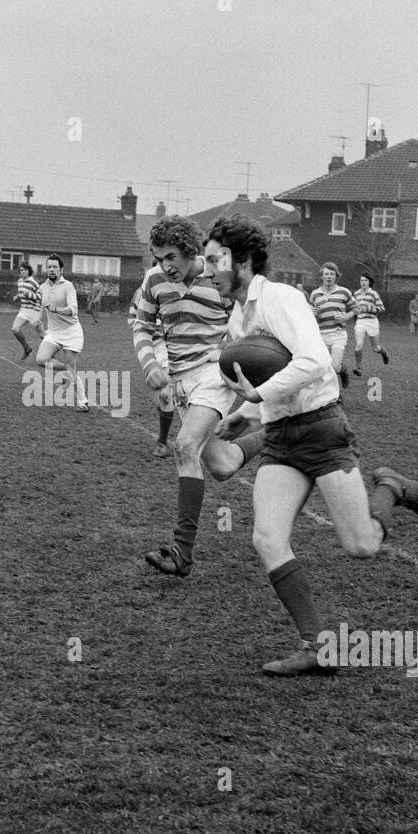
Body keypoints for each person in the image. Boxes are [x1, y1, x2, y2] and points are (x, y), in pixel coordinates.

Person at [202, 216, 418, 678]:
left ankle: (390, 487)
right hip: (282, 437)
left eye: (214, 260)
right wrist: (245, 414)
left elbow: (313, 362)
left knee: (362, 546)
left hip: (322, 430)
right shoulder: (238, 315)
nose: (208, 270)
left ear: (242, 261)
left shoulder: (281, 298)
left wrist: (256, 398)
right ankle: (315, 646)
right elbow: (269, 379)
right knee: (267, 538)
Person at [132, 215, 261, 577]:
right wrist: (149, 364)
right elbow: (142, 326)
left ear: (190, 249)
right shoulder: (153, 280)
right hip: (180, 381)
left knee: (185, 447)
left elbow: (247, 328)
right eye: (158, 258)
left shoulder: (220, 278)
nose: (164, 266)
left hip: (216, 372)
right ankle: (274, 435)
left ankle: (181, 552)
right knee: (222, 466)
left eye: (171, 256)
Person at [37, 254, 89, 412]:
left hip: (72, 332)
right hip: (54, 332)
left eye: (54, 267)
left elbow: (73, 310)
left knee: (71, 366)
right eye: (49, 267)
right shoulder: (43, 287)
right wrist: (38, 321)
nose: (51, 269)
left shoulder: (68, 286)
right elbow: (42, 305)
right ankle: (67, 371)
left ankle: (82, 402)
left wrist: (56, 310)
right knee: (41, 359)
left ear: (61, 270)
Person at [129, 283, 176, 458]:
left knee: (165, 395)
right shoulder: (141, 293)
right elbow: (133, 320)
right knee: (159, 396)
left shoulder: (180, 290)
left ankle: (162, 443)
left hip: (173, 346)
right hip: (151, 347)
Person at [309, 262, 355, 389]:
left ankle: (341, 369)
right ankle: (334, 394)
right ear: (322, 277)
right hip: (321, 334)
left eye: (331, 274)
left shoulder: (344, 292)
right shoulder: (315, 294)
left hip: (338, 333)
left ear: (336, 276)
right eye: (326, 274)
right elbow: (312, 314)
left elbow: (356, 308)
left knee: (334, 367)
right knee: (323, 367)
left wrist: (346, 316)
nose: (329, 277)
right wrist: (312, 312)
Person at [351, 272, 389, 375]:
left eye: (365, 280)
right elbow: (355, 307)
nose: (363, 283)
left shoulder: (374, 294)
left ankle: (384, 353)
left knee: (375, 348)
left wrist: (368, 307)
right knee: (358, 346)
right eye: (361, 280)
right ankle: (358, 368)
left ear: (369, 282)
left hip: (372, 321)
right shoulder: (356, 294)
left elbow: (382, 308)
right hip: (360, 322)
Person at [10, 263, 42, 360]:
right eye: (21, 270)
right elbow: (21, 292)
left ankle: (52, 352)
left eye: (25, 270)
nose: (23, 271)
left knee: (42, 335)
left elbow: (40, 297)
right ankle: (27, 348)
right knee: (15, 329)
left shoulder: (33, 283)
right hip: (24, 310)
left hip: (34, 311)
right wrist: (17, 296)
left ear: (29, 271)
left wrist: (29, 294)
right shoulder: (19, 281)